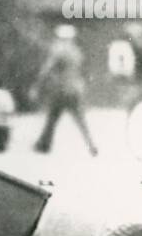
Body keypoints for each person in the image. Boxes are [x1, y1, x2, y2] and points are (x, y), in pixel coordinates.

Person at [32, 24, 99, 155]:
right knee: (80, 120)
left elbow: (47, 69)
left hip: (61, 89)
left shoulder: (58, 50)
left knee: (52, 117)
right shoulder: (76, 51)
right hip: (74, 90)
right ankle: (91, 145)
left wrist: (37, 85)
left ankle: (43, 145)